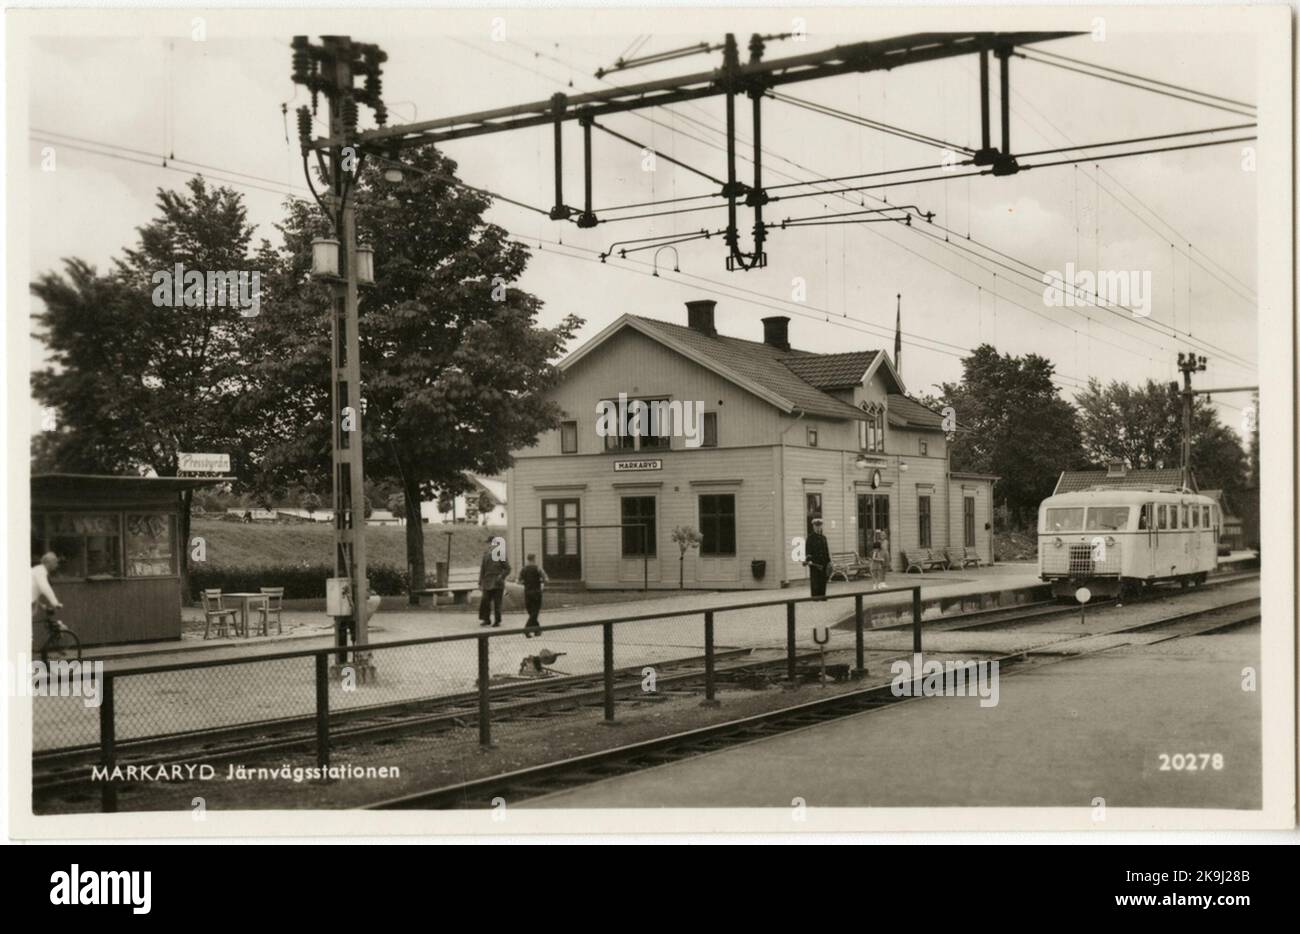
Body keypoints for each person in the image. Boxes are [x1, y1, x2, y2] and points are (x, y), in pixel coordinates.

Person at [477, 536, 511, 628]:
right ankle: (486, 619)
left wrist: (501, 576)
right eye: (488, 543)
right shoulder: (486, 554)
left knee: (497, 602)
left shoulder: (501, 554)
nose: (488, 545)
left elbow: (507, 568)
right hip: (487, 582)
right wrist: (480, 582)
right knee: (485, 601)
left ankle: (497, 621)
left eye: (490, 543)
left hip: (497, 582)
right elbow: (482, 570)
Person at [518, 553, 548, 637]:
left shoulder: (523, 569)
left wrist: (526, 582)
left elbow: (519, 581)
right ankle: (527, 629)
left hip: (527, 592)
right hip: (537, 592)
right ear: (534, 559)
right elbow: (546, 579)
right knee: (535, 611)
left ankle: (537, 630)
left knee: (531, 611)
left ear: (527, 559)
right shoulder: (538, 568)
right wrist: (541, 581)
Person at [804, 517, 831, 600]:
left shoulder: (823, 538)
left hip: (823, 562)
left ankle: (822, 596)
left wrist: (829, 561)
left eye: (819, 526)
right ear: (813, 527)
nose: (818, 528)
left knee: (823, 580)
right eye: (816, 526)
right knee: (815, 580)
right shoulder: (810, 538)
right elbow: (808, 550)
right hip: (814, 563)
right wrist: (809, 560)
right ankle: (815, 597)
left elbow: (826, 550)